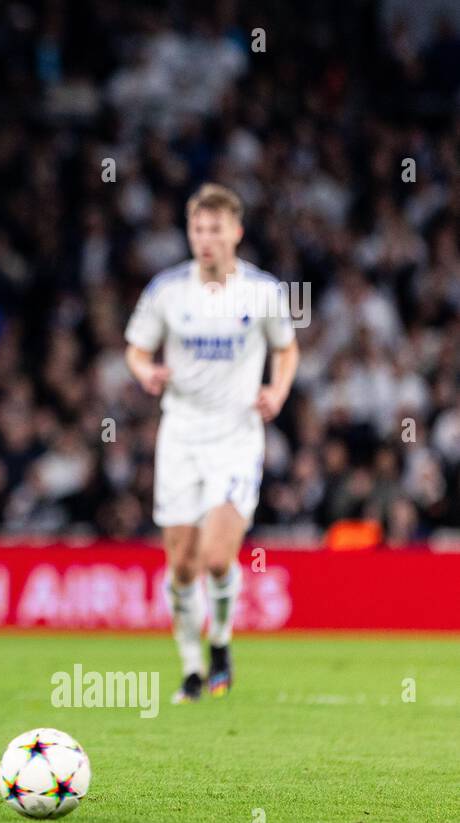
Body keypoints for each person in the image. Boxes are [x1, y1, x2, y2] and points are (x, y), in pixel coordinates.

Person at [124, 183, 300, 702]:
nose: (205, 239)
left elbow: (287, 351)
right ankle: (191, 669)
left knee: (218, 557)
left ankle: (220, 643)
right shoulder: (167, 291)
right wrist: (146, 372)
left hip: (236, 434)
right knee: (180, 564)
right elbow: (135, 349)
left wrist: (278, 389)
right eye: (197, 229)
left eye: (215, 229)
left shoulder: (263, 292)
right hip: (179, 433)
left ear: (236, 232)